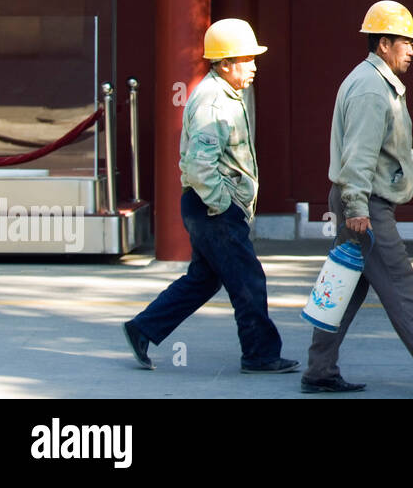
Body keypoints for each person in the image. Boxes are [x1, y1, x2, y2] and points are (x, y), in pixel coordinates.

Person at [301, 0, 413, 396]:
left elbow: (396, 153)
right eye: (405, 41)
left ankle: (318, 370)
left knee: (345, 287)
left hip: (360, 201)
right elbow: (359, 157)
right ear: (384, 44)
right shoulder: (371, 90)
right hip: (366, 205)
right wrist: (357, 209)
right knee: (401, 284)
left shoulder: (378, 84)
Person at [123, 19, 298, 375]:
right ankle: (260, 354)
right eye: (246, 59)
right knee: (248, 279)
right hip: (212, 207)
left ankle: (143, 328)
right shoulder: (215, 102)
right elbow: (200, 166)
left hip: (210, 206)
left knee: (204, 279)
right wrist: (224, 206)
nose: (253, 67)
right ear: (224, 63)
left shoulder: (225, 94)